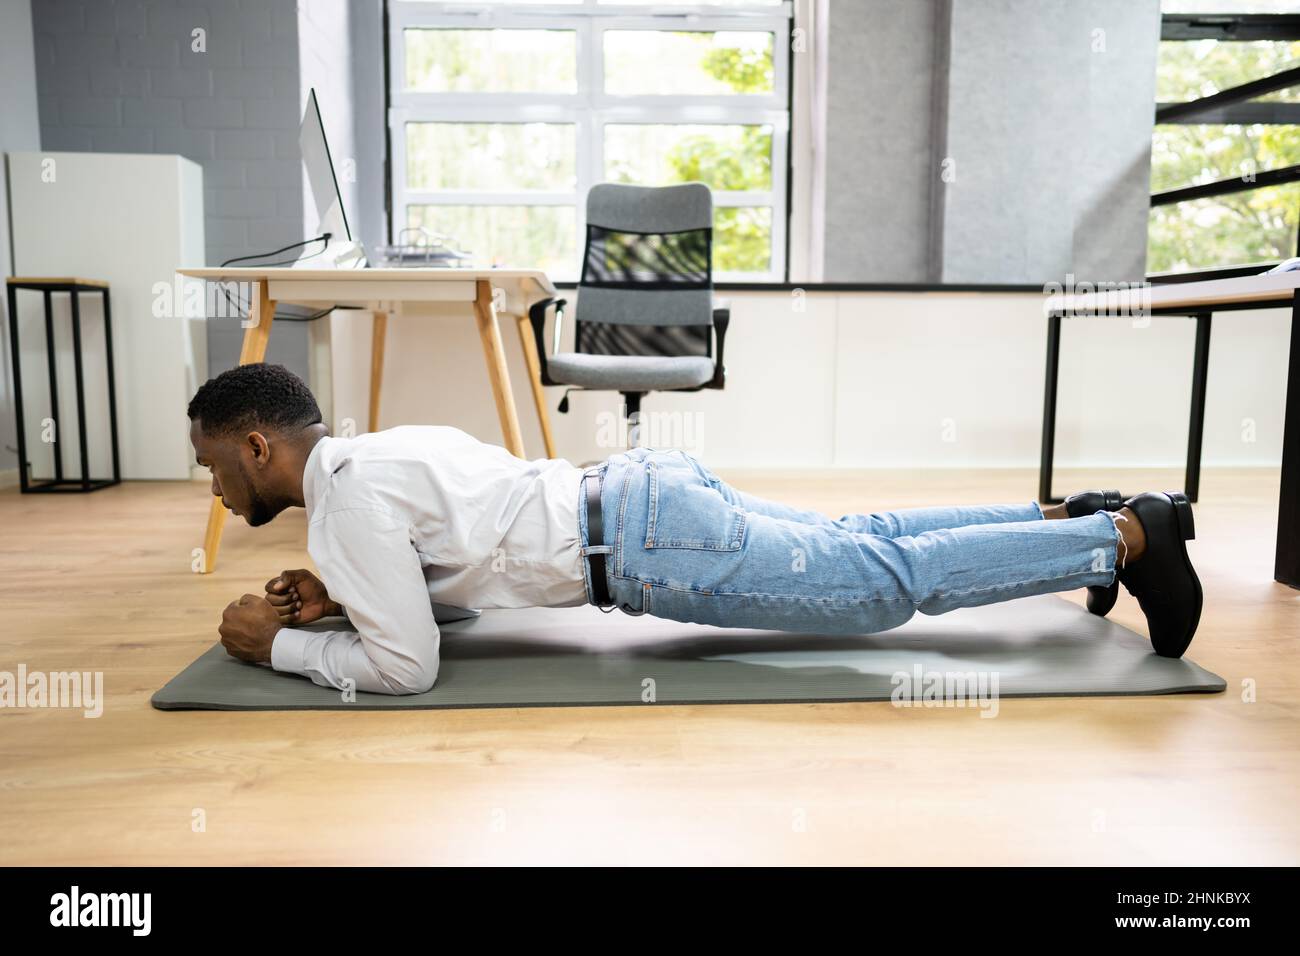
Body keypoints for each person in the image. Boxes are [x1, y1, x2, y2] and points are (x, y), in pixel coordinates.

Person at [190, 363, 1203, 696]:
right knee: (867, 536)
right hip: (638, 494)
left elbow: (407, 668)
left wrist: (278, 642)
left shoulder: (346, 507)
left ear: (258, 445)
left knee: (877, 582)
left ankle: (1125, 538)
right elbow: (466, 568)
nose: (218, 492)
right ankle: (1068, 516)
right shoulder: (374, 452)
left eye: (215, 468)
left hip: (643, 543)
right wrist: (345, 601)